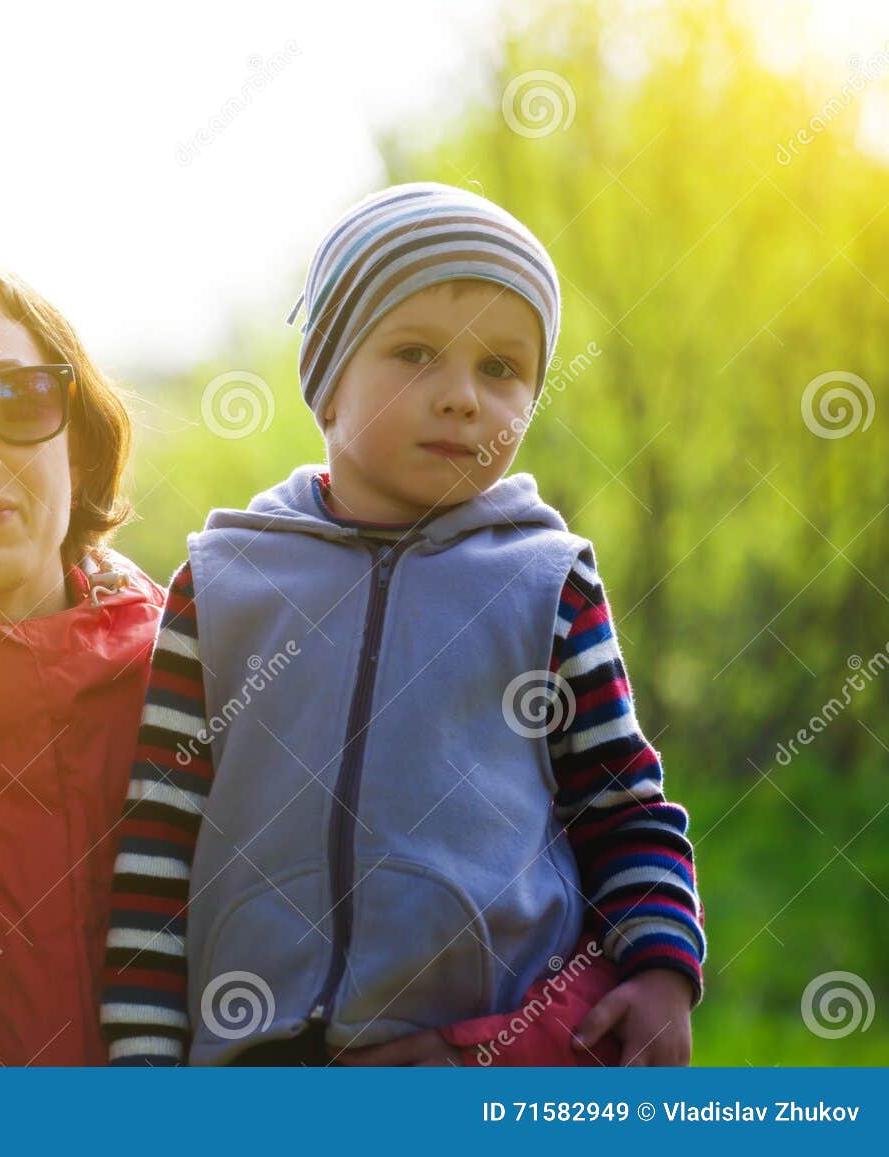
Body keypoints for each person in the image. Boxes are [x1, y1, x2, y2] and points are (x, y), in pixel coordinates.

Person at [101, 183, 706, 1066]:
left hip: (492, 1049)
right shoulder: (227, 583)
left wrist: (661, 967)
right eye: (416, 353)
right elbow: (159, 838)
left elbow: (620, 802)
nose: (462, 396)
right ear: (328, 382)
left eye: (501, 369)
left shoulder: (546, 583)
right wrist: (143, 1055)